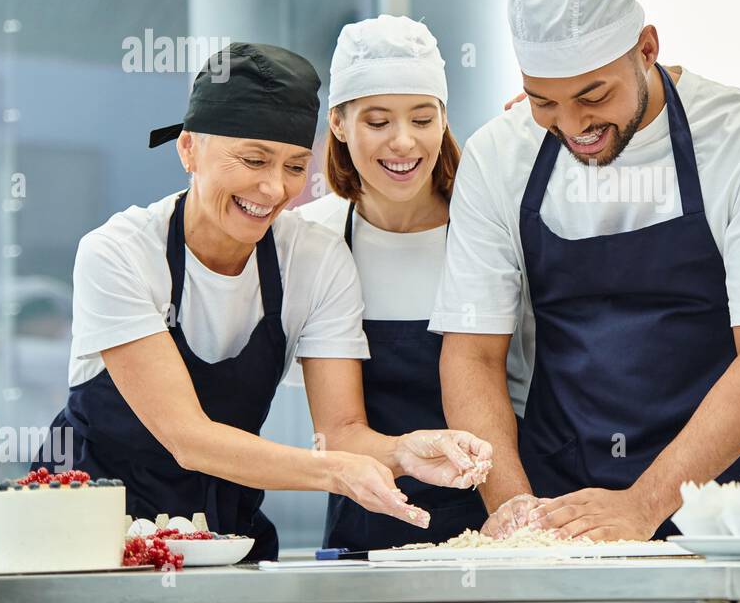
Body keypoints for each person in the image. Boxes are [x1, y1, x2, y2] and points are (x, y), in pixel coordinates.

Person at [34, 44, 490, 560]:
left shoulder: (313, 258)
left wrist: (402, 451)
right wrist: (334, 472)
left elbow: (341, 432)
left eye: (295, 167)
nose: (274, 188)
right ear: (188, 149)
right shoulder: (120, 253)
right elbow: (188, 438)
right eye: (253, 160)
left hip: (222, 534)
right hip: (87, 530)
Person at [433, 0, 740, 541]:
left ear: (647, 48)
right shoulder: (498, 155)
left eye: (593, 97)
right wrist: (515, 514)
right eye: (544, 102)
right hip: (558, 499)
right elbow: (472, 354)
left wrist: (643, 505)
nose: (572, 126)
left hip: (727, 513)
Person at [298, 15, 492, 547]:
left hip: (498, 513)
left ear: (444, 120)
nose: (404, 143)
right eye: (378, 121)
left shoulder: (490, 228)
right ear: (338, 123)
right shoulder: (312, 238)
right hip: (367, 526)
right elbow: (334, 432)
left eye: (423, 119)